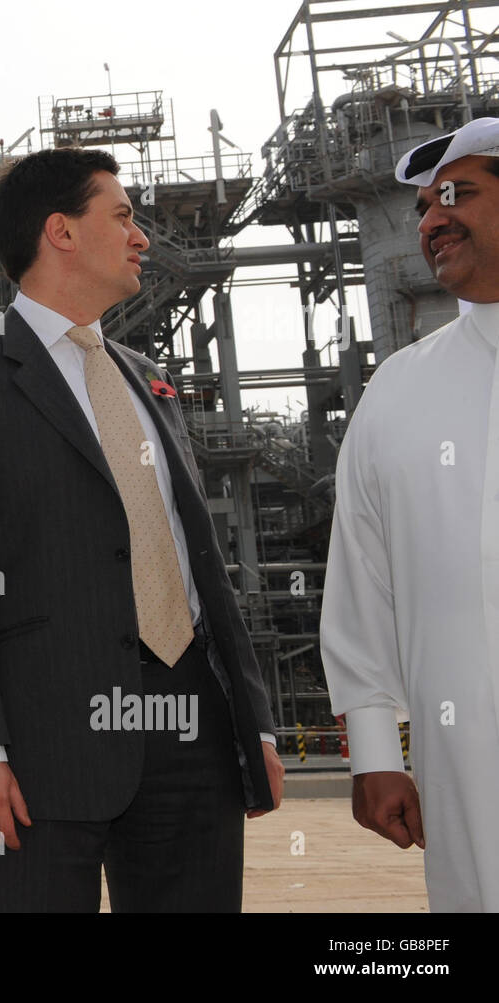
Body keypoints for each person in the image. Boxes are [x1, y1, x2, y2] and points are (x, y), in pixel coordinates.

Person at [0, 147, 283, 912]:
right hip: (43, 748)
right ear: (61, 232)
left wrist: (257, 727)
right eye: (121, 216)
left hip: (192, 729)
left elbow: (200, 563)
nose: (141, 236)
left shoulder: (150, 381)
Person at [321, 118, 499, 911]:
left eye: (457, 195)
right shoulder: (398, 390)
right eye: (424, 206)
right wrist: (373, 749)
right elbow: (361, 579)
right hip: (465, 780)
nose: (430, 220)